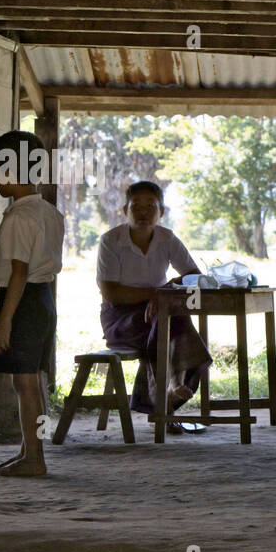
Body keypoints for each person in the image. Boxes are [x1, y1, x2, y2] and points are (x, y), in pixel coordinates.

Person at [0, 130, 65, 477]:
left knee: (25, 385)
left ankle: (35, 459)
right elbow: (27, 263)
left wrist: (5, 320)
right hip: (42, 300)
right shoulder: (47, 212)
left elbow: (18, 273)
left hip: (23, 305)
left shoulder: (16, 217)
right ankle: (32, 450)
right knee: (35, 384)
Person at [95, 181, 212, 431]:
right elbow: (111, 292)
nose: (143, 212)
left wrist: (164, 293)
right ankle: (167, 396)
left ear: (162, 212)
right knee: (167, 315)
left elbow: (194, 275)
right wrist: (157, 294)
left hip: (158, 315)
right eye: (136, 205)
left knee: (170, 313)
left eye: (151, 206)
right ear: (125, 210)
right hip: (120, 321)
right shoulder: (111, 241)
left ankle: (170, 392)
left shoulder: (166, 238)